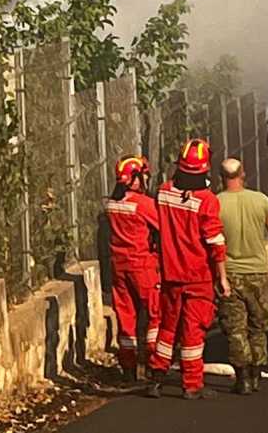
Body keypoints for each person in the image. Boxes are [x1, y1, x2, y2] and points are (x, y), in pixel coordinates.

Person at [147, 138, 231, 400]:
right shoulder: (207, 200)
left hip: (170, 273)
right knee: (193, 330)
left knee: (168, 327)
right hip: (198, 276)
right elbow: (215, 243)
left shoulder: (163, 192)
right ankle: (192, 384)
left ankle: (156, 377)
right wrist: (223, 278)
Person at [216, 158, 268, 395]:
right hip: (257, 274)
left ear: (221, 177)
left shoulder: (215, 203)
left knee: (235, 328)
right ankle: (257, 374)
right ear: (243, 174)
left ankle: (242, 378)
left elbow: (211, 239)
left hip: (229, 274)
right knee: (257, 326)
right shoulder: (261, 200)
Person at [105, 154, 161, 382]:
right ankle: (152, 362)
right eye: (144, 175)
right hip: (143, 264)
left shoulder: (111, 204)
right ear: (135, 178)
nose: (146, 179)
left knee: (125, 315)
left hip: (118, 265)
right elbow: (163, 226)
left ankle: (128, 366)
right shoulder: (143, 204)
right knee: (155, 314)